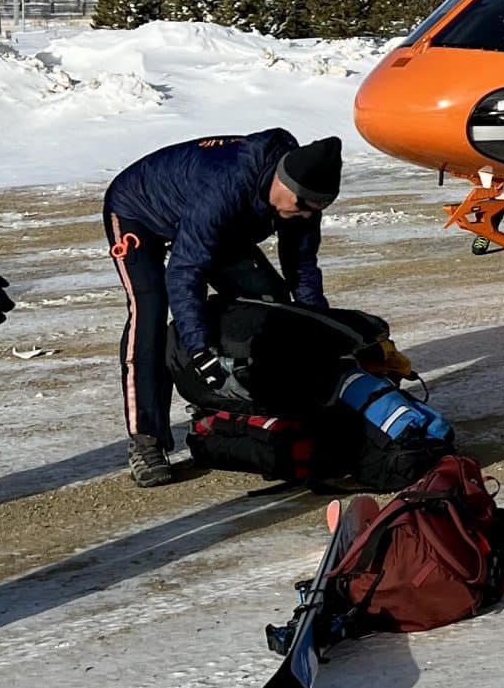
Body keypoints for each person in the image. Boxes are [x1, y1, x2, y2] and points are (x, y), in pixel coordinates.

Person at [102, 131, 343, 487]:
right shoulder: (225, 188)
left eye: (314, 210)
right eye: (302, 205)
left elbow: (302, 268)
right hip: (139, 211)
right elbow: (186, 272)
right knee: (149, 312)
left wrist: (319, 327)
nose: (304, 214)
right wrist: (199, 349)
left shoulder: (303, 197)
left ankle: (252, 408)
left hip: (217, 226)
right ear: (284, 182)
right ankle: (147, 438)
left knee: (268, 303)